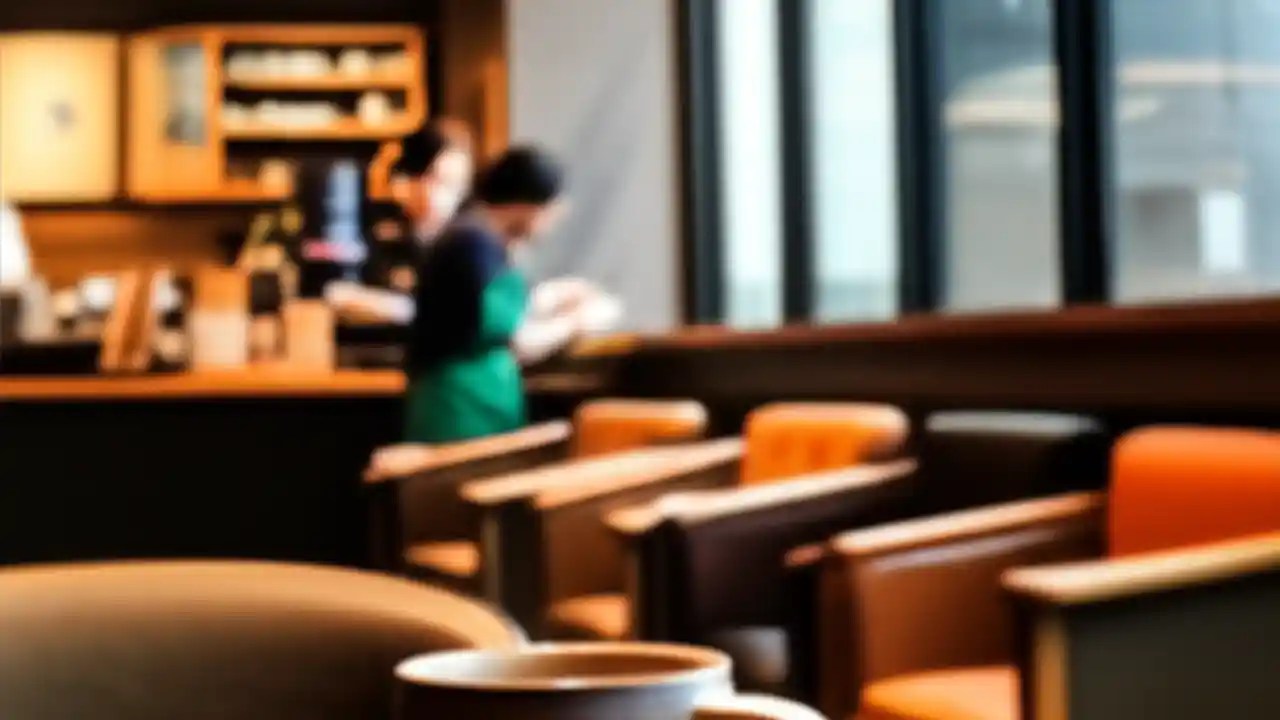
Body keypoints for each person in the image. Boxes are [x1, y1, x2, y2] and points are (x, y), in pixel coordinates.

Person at [402, 146, 569, 443]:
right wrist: (577, 321)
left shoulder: (476, 241)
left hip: (474, 406)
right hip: (459, 410)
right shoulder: (473, 246)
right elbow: (517, 338)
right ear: (528, 205)